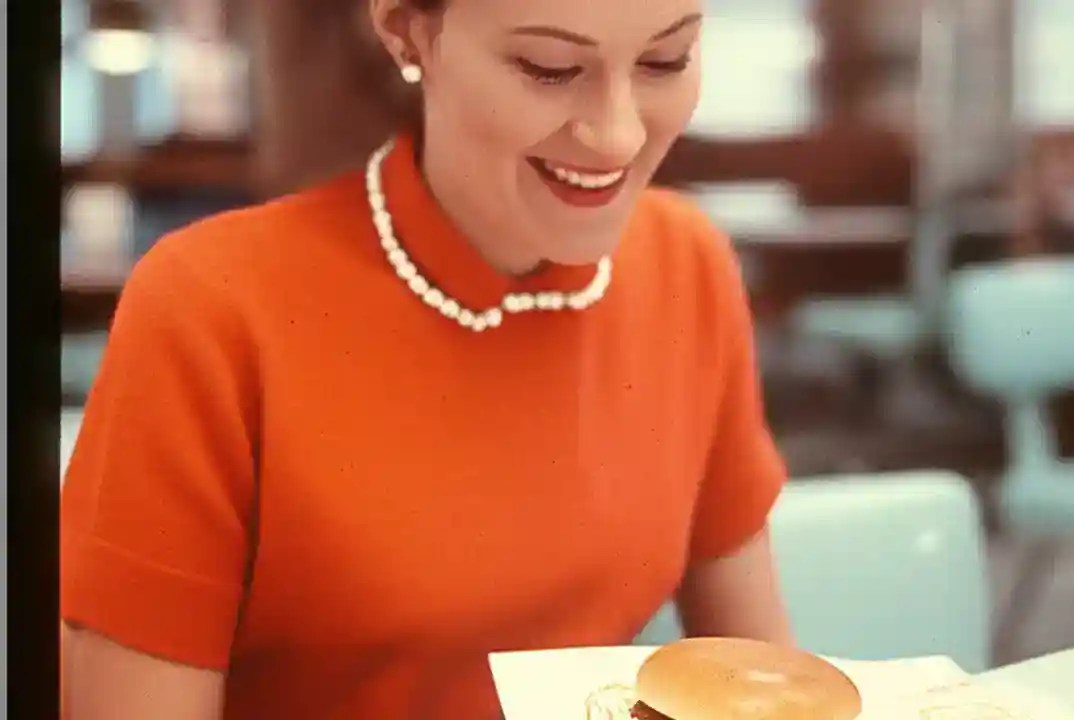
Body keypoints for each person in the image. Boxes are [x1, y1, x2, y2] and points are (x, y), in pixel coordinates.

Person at [60, 0, 793, 718]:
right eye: (549, 68)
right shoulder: (211, 308)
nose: (617, 134)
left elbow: (771, 689)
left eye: (665, 61)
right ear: (408, 34)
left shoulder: (686, 267)